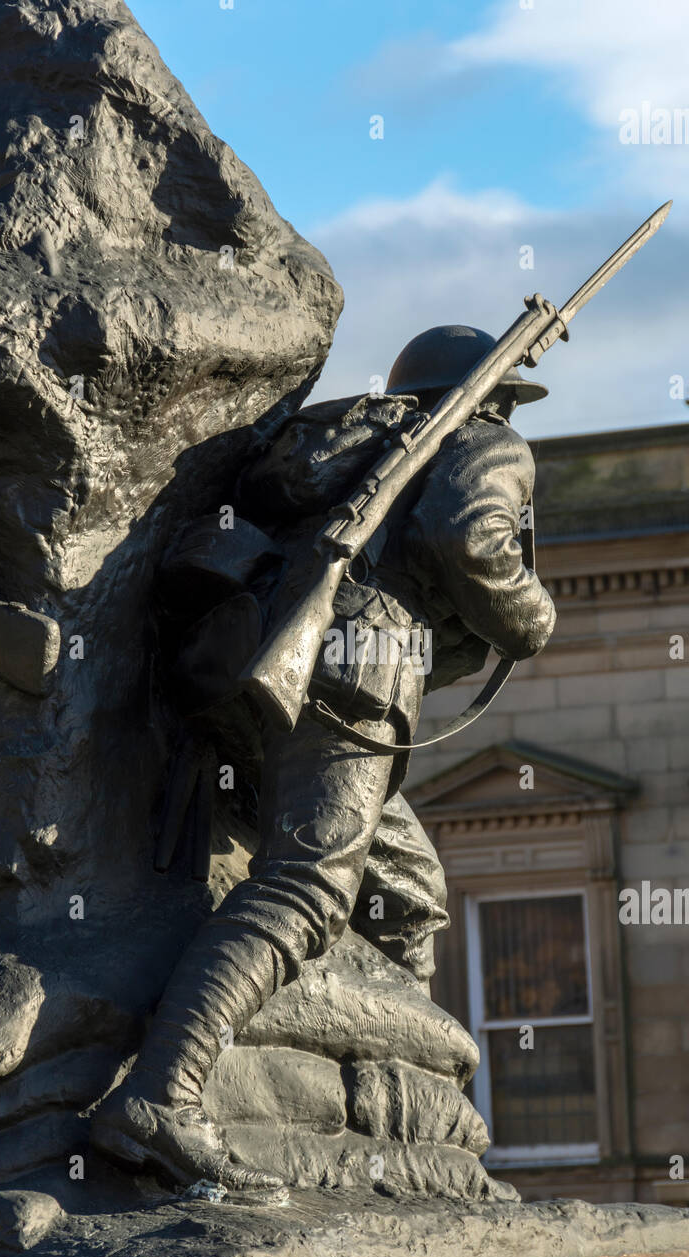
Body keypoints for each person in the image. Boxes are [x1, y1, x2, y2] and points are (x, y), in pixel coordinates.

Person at [91, 324, 557, 1199]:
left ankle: (401, 1100)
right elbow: (472, 542)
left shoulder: (340, 450)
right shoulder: (482, 439)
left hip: (258, 672)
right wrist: (534, 617)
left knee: (408, 884)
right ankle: (163, 1095)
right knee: (304, 886)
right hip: (352, 670)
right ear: (493, 392)